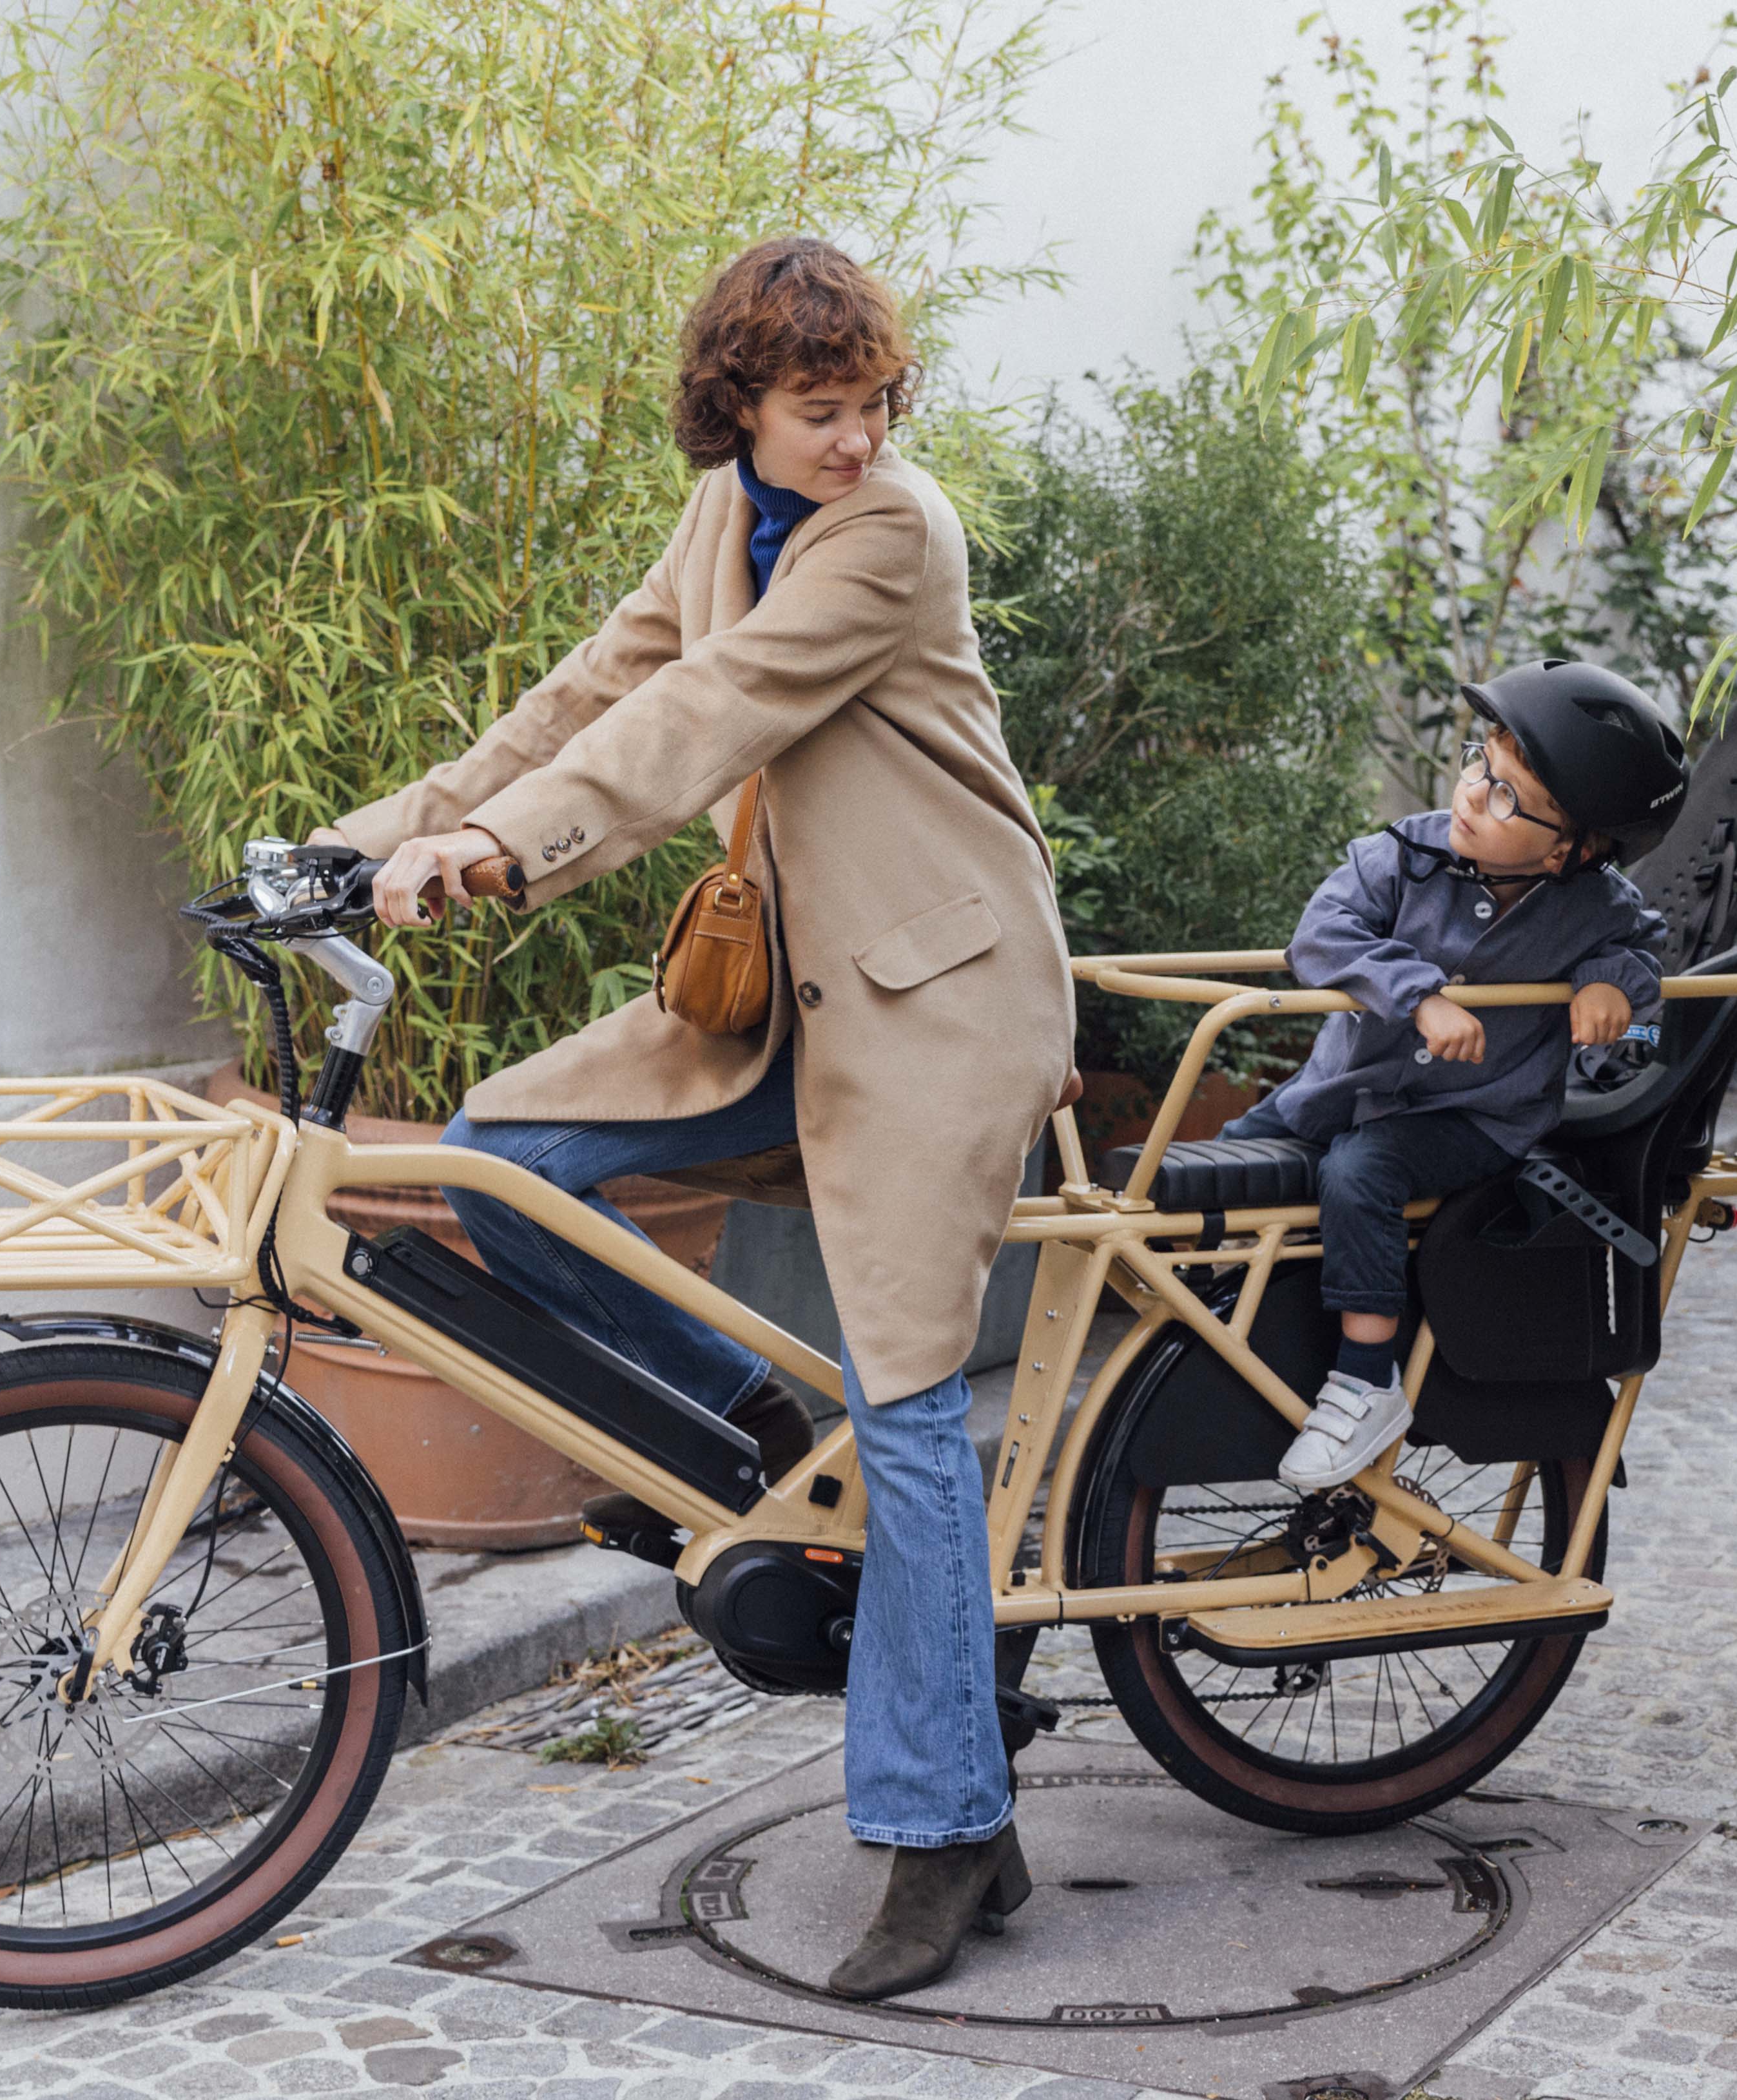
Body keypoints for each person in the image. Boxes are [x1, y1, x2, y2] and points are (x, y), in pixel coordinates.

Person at [315, 237, 1071, 2001]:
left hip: (939, 1003)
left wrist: (498, 850)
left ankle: (948, 1826)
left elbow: (699, 717)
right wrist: (371, 835)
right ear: (737, 410)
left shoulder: (893, 533)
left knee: (907, 1414)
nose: (862, 439)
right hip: (787, 999)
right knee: (501, 1162)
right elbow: (595, 689)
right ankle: (750, 1429)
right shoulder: (728, 517)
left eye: (882, 403)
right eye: (824, 410)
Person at [1219, 660, 1689, 1490]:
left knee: (1361, 1172)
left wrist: (1614, 982)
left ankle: (1366, 1382)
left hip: (1473, 1121)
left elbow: (1643, 955)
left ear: (1569, 852)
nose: (1474, 792)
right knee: (1214, 1174)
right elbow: (1319, 935)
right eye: (1481, 764)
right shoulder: (1401, 856)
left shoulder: (1596, 906)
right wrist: (1418, 995)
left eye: (1510, 796)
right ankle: (1229, 1321)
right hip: (1336, 1094)